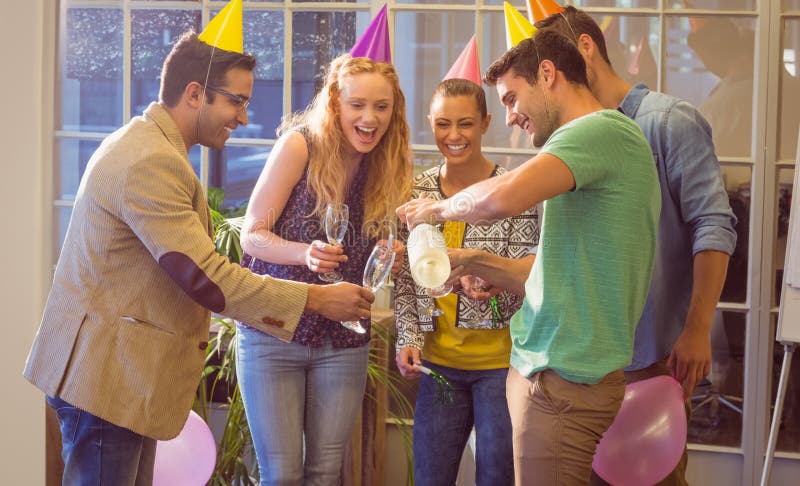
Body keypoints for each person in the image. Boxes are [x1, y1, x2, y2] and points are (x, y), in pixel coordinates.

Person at [23, 29, 374, 485]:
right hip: (106, 376)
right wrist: (317, 299)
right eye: (236, 101)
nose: (243, 117)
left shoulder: (150, 145)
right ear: (194, 94)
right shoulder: (149, 160)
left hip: (118, 374)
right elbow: (206, 278)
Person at [398, 29, 661, 485]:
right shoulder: (593, 144)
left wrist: (435, 210)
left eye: (511, 98)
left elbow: (503, 197)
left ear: (547, 74)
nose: (510, 116)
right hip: (552, 375)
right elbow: (546, 271)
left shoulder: (595, 130)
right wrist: (476, 261)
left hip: (562, 379)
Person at [535, 5, 738, 486]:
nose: (547, 87)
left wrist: (697, 329)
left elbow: (714, 224)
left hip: (649, 362)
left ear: (586, 48)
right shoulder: (566, 139)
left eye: (551, 72)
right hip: (577, 365)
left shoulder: (669, 122)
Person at [236, 52, 412, 485]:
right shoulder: (300, 146)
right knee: (281, 475)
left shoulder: (387, 161)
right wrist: (305, 254)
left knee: (325, 474)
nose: (370, 118)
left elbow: (384, 246)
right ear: (335, 104)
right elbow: (252, 235)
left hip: (343, 338)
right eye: (357, 105)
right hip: (274, 331)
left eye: (381, 107)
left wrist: (395, 251)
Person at [394, 77, 539, 486]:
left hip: (500, 366)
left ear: (486, 123)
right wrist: (408, 337)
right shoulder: (416, 190)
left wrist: (488, 279)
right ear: (430, 123)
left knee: (497, 477)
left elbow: (527, 280)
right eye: (443, 124)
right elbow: (406, 278)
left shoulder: (511, 191)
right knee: (430, 477)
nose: (453, 135)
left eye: (465, 124)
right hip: (438, 367)